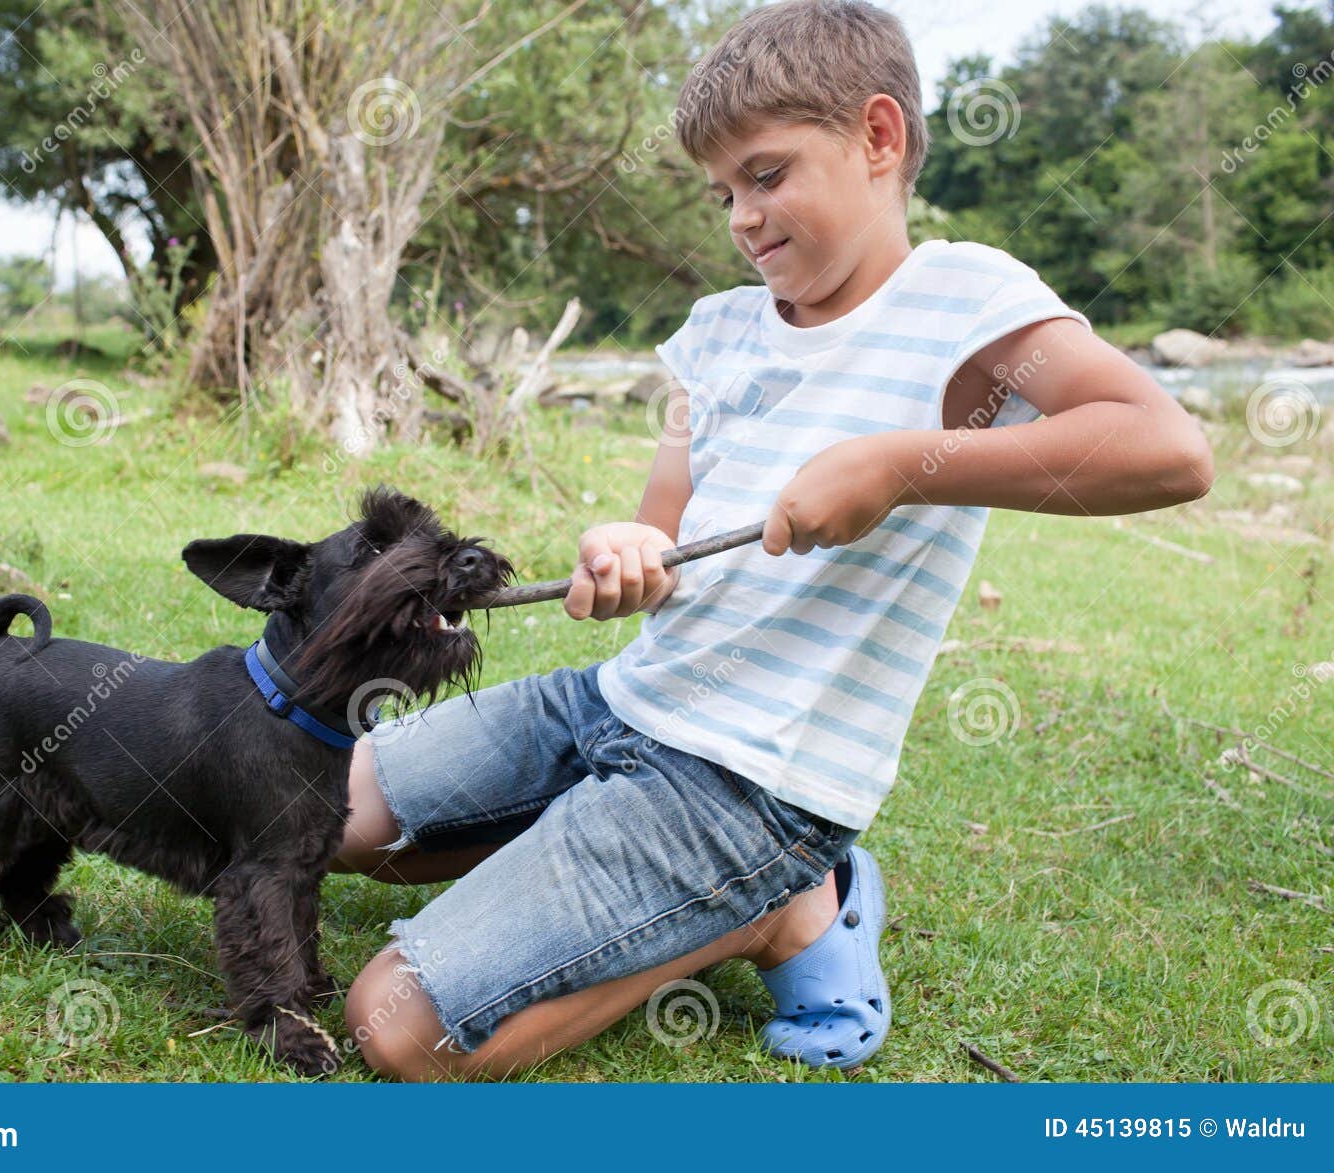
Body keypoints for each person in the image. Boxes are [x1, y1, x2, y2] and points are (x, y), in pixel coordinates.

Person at [332, 0, 1214, 1081]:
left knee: (397, 1027)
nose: (743, 219)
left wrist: (901, 465)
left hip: (750, 783)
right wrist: (621, 547)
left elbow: (1169, 450)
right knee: (328, 809)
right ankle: (608, 858)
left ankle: (773, 909)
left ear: (878, 137)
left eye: (766, 175)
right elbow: (659, 534)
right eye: (723, 194)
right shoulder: (717, 331)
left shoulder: (962, 298)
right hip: (622, 704)